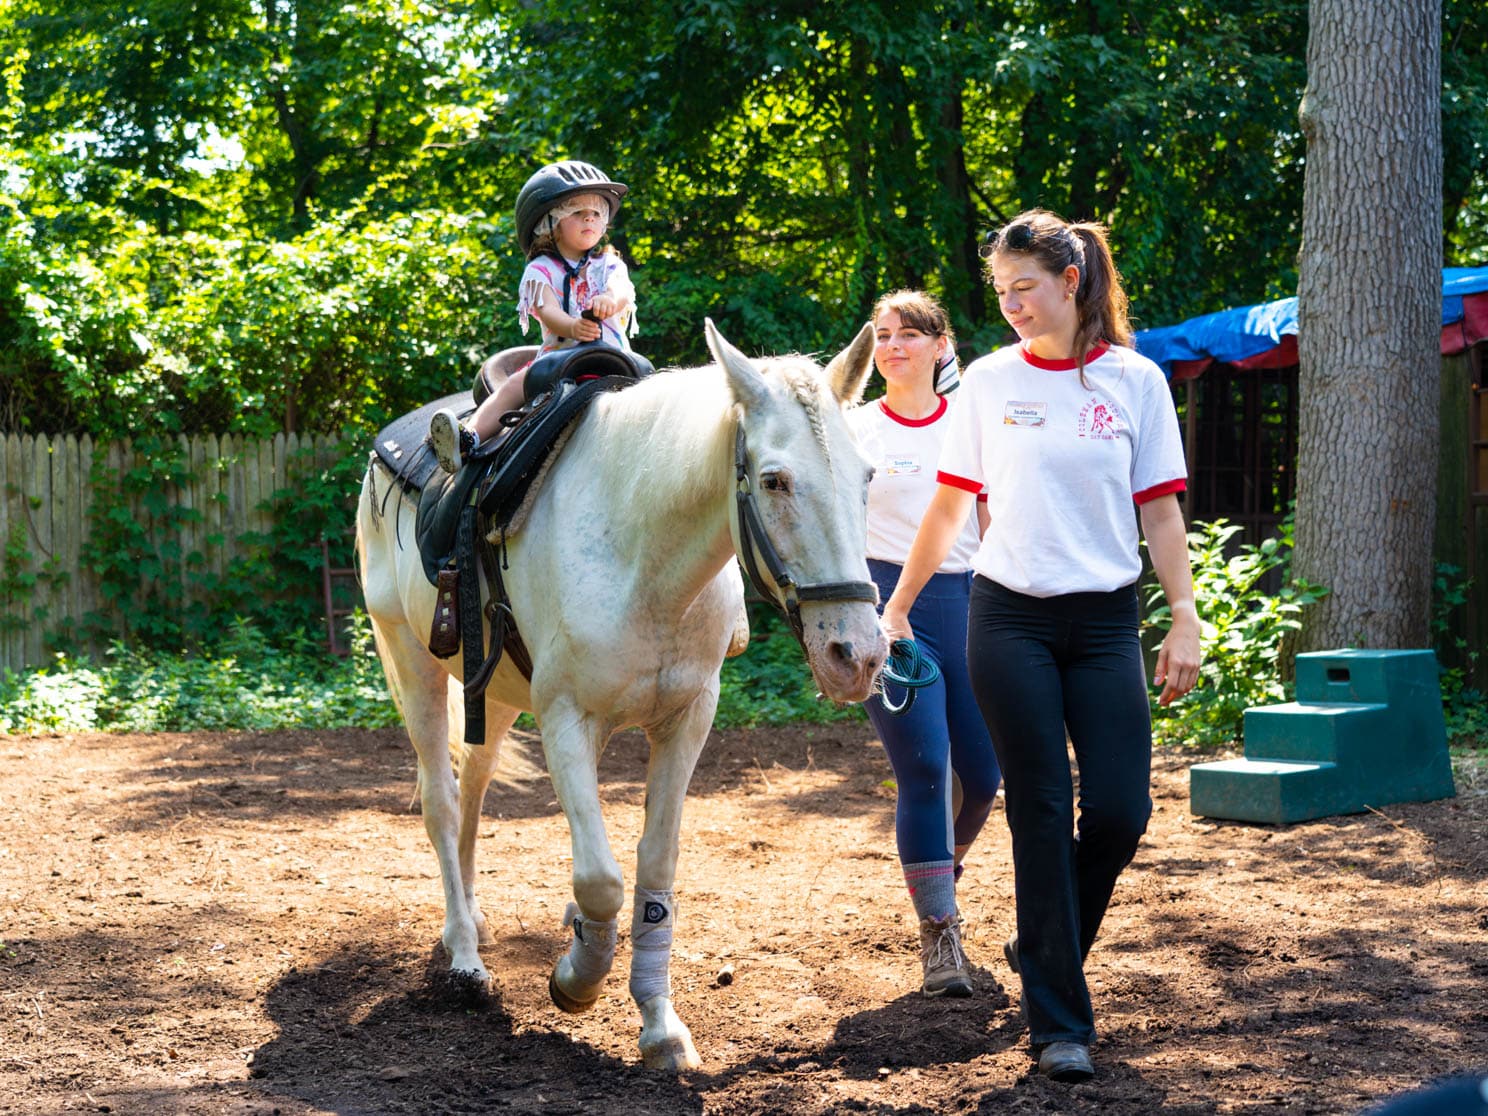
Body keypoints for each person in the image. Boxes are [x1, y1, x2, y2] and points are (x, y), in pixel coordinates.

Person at [879, 210, 1201, 1083]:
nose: (1012, 303)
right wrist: (898, 607)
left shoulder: (1136, 381)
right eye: (1000, 291)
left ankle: (1041, 947)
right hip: (1009, 618)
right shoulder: (988, 382)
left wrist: (1184, 615)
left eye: (1025, 286)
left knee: (1123, 812)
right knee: (1042, 808)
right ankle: (1059, 1023)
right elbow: (950, 506)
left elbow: (1160, 511)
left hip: (1105, 623)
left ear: (1071, 280)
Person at [848, 290, 1002, 999]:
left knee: (984, 778)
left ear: (941, 347)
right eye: (883, 335)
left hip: (967, 603)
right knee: (927, 769)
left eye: (909, 334)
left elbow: (993, 519)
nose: (893, 346)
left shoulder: (969, 425)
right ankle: (940, 934)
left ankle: (941, 874)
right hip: (887, 612)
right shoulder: (854, 429)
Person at [430, 160, 636, 472]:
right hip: (560, 359)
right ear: (549, 222)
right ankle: (469, 437)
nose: (590, 218)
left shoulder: (610, 265)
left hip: (613, 356)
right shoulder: (541, 270)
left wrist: (609, 300)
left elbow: (620, 291)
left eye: (597, 213)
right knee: (515, 386)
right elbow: (547, 310)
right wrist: (571, 326)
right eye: (578, 212)